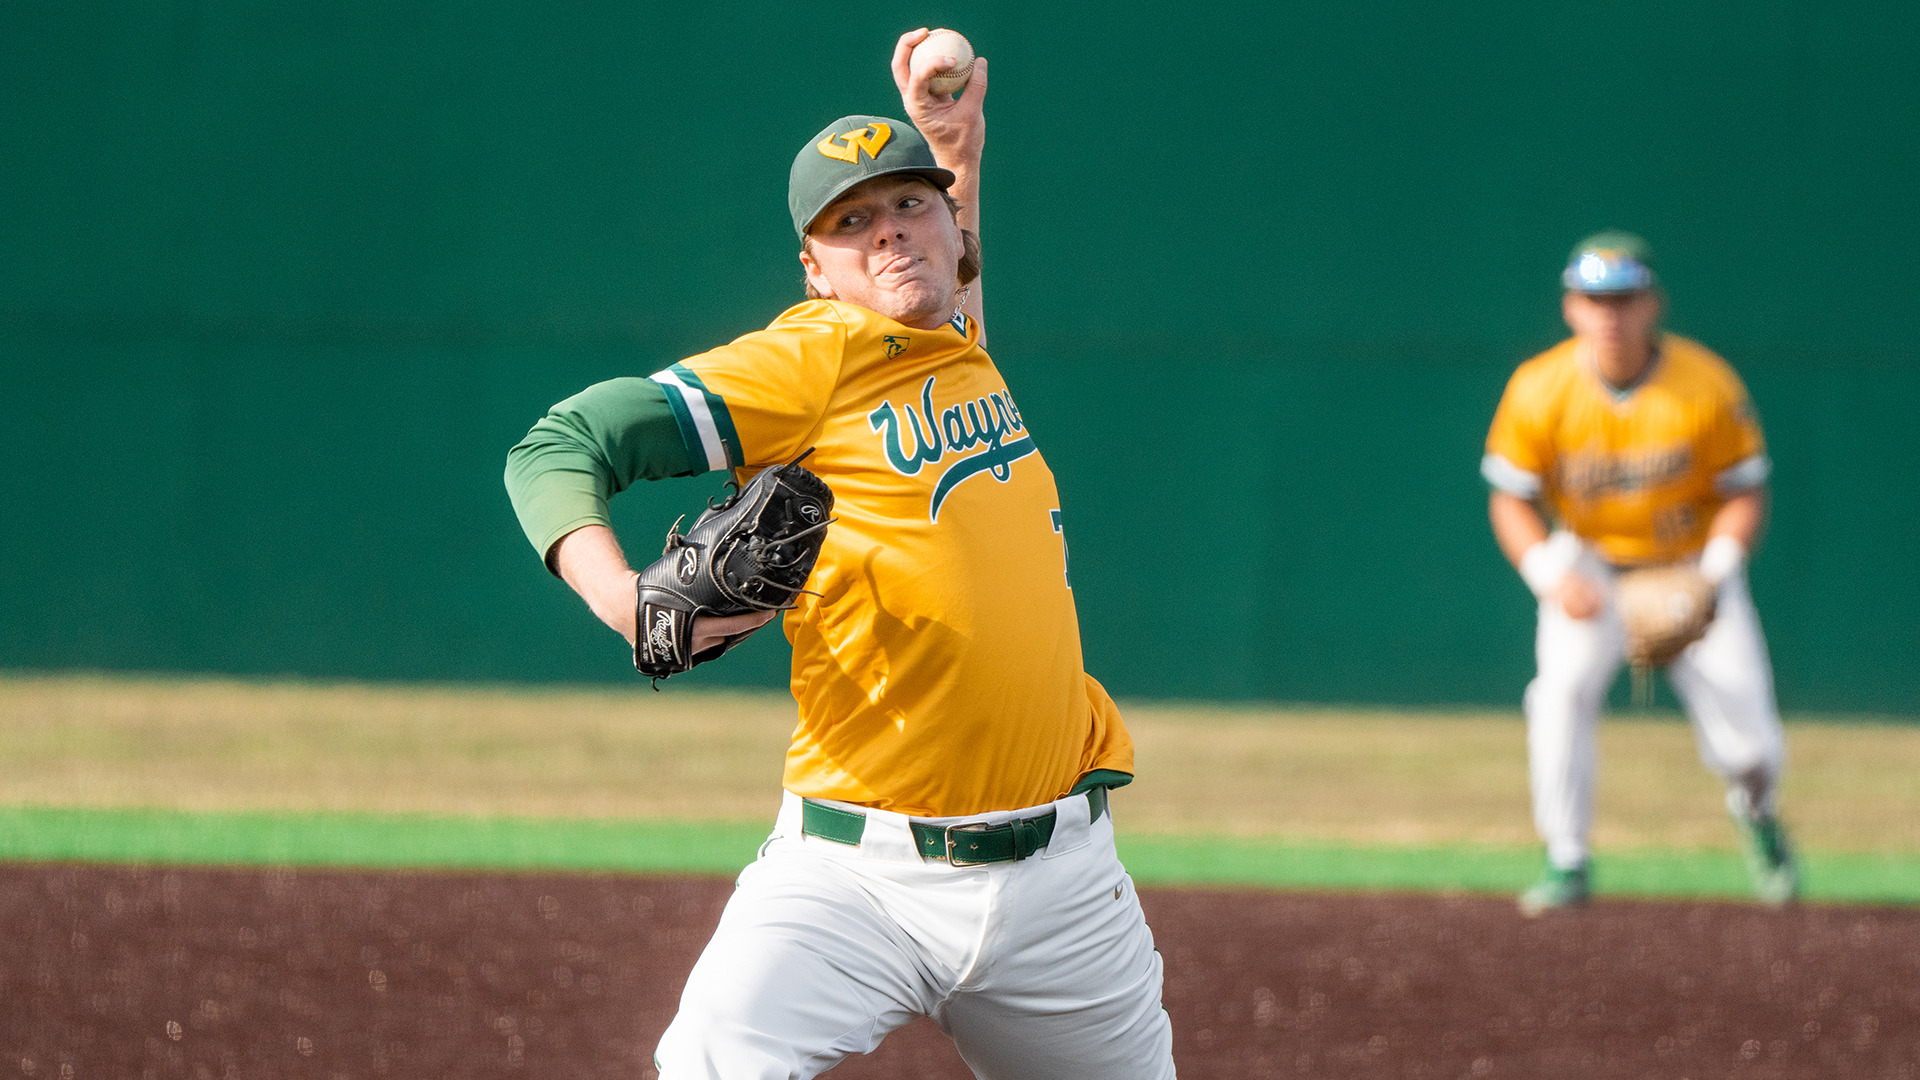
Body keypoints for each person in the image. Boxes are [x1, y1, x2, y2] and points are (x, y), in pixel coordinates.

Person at [503, 30, 1176, 1080]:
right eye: (851, 224)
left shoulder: (955, 353)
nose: (890, 235)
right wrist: (627, 601)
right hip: (856, 875)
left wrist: (956, 143)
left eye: (908, 205)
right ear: (815, 274)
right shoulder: (814, 359)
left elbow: (949, 287)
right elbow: (559, 446)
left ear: (956, 231)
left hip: (1066, 883)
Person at [1481, 231, 1797, 915]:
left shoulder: (1705, 384)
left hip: (1690, 566)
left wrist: (1710, 577)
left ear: (1653, 302)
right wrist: (1547, 574)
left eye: (1623, 298)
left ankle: (1760, 815)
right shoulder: (1541, 387)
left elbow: (1746, 490)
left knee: (1751, 746)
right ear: (1571, 307)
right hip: (1590, 563)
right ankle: (1567, 858)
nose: (1610, 315)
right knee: (1558, 695)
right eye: (1595, 298)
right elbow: (1510, 496)